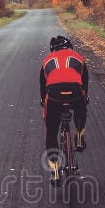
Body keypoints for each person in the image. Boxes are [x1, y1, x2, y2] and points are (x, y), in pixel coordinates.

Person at [39, 35, 89, 185]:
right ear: (70, 46)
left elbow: (43, 87)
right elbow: (85, 83)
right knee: (81, 109)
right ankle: (79, 137)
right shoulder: (78, 57)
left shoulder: (47, 60)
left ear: (53, 49)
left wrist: (43, 101)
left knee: (51, 132)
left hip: (54, 95)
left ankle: (55, 171)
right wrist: (84, 99)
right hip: (75, 92)